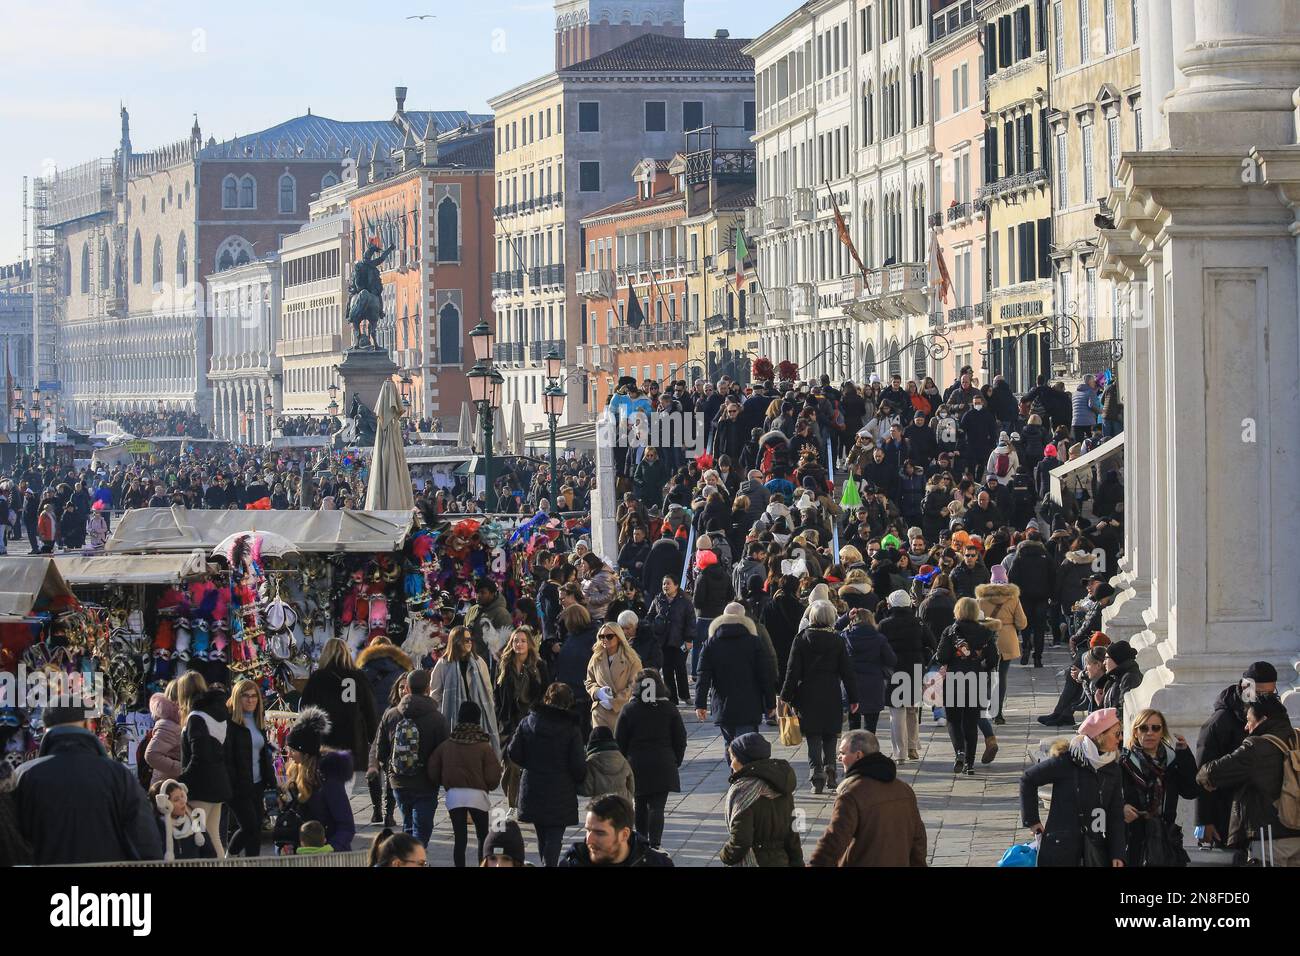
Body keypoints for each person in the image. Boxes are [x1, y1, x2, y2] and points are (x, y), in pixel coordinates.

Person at [14, 703, 164, 864]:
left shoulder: (24, 776)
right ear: (88, 725)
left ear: (44, 730)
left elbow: (12, 841)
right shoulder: (117, 775)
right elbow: (145, 840)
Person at [1196, 694, 1300, 866]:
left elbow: (1208, 774)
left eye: (1249, 720)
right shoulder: (1296, 738)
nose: (1246, 726)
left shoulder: (1256, 747)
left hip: (1269, 838)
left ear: (1263, 719)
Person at [1019, 708, 1127, 867]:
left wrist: (1117, 853)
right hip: (1061, 847)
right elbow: (1028, 779)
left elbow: (1115, 813)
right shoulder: (1067, 761)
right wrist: (1033, 820)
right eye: (1116, 733)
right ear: (1099, 735)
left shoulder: (1112, 768)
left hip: (1096, 847)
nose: (1121, 738)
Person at [808, 730, 927, 866]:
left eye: (843, 753)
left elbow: (834, 841)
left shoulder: (851, 795)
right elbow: (918, 840)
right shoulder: (904, 790)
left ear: (858, 755)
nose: (839, 758)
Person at [1196, 662, 1278, 848]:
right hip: (1226, 811)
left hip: (1261, 813)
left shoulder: (1271, 714)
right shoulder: (1220, 721)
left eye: (1270, 694)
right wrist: (1204, 820)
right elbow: (1204, 771)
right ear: (1247, 689)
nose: (1267, 700)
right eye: (1262, 694)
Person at [781, 599, 859, 794]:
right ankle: (831, 767)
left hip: (807, 693)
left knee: (813, 735)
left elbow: (792, 671)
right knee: (831, 734)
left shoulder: (801, 639)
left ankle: (816, 773)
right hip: (831, 692)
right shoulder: (837, 640)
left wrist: (785, 696)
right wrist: (854, 697)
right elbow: (847, 672)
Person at [508, 682, 588, 866]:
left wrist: (529, 764)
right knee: (554, 836)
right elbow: (577, 765)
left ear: (546, 699)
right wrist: (580, 777)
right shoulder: (571, 728)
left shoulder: (528, 722)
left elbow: (513, 752)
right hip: (560, 788)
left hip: (533, 785)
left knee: (542, 834)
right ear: (568, 703)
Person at [375, 668, 449, 847]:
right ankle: (416, 859)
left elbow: (380, 751)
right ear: (427, 688)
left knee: (408, 824)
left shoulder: (391, 714)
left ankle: (409, 858)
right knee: (422, 829)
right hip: (425, 782)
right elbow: (444, 753)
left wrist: (392, 770)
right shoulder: (437, 719)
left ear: (407, 687)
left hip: (398, 782)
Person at [614, 668, 686, 848]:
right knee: (657, 807)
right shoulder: (669, 708)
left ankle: (642, 841)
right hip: (664, 762)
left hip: (637, 764)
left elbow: (619, 740)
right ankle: (655, 844)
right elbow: (680, 738)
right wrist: (676, 760)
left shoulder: (629, 709)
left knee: (639, 803)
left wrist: (624, 761)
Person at [427, 700, 503, 867]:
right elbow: (492, 776)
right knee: (482, 836)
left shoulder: (447, 744)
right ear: (478, 720)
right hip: (478, 796)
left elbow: (433, 768)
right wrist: (488, 785)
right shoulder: (484, 746)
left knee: (460, 839)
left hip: (454, 796)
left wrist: (443, 781)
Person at [1119, 708, 1199, 867]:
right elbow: (1107, 796)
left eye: (1155, 728)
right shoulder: (1123, 762)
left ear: (1162, 732)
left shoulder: (1172, 762)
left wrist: (1185, 757)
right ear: (1135, 732)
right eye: (1143, 728)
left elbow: (1191, 791)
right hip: (1134, 838)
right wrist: (1122, 807)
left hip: (1166, 838)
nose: (1150, 733)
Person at [300, 638, 378, 794]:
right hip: (353, 738)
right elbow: (369, 709)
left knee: (327, 782)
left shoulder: (318, 677)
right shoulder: (358, 677)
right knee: (348, 784)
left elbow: (305, 709)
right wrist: (373, 736)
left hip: (325, 739)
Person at [695, 603, 771, 759]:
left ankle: (735, 775)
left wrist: (700, 704)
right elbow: (765, 675)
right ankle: (745, 778)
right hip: (750, 704)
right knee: (748, 747)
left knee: (729, 745)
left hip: (723, 705)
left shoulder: (711, 643)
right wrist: (770, 703)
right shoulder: (754, 642)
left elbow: (703, 675)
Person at [719, 732, 802, 867]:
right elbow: (793, 831)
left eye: (733, 758)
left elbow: (742, 840)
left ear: (743, 760)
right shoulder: (781, 784)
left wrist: (725, 855)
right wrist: (797, 861)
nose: (731, 765)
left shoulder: (743, 791)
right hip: (782, 860)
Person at [935, 597, 998, 775]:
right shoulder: (985, 631)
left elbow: (941, 656)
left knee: (954, 721)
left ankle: (959, 752)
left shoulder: (950, 631)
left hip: (954, 679)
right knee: (971, 722)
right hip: (975, 679)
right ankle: (969, 764)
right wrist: (981, 666)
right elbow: (993, 659)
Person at [281, 706, 355, 853]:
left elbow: (346, 826)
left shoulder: (328, 778)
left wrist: (330, 849)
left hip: (329, 853)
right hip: (303, 851)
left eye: (293, 750)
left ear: (305, 752)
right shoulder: (295, 772)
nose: (289, 754)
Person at [495, 627, 549, 808]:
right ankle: (513, 800)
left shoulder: (539, 665)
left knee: (526, 764)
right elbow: (497, 694)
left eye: (523, 641)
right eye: (516, 640)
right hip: (509, 722)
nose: (519, 644)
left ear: (529, 644)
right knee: (510, 764)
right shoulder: (504, 665)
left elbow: (545, 693)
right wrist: (498, 716)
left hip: (531, 720)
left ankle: (519, 802)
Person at [878, 590, 934, 762]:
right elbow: (932, 643)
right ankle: (912, 746)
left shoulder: (884, 624)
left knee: (896, 713)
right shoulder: (918, 623)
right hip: (915, 667)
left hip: (893, 670)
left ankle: (900, 752)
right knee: (912, 709)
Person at [177, 687, 232, 858]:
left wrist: (183, 778)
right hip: (218, 783)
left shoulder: (196, 718)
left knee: (197, 836)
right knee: (213, 835)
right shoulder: (219, 718)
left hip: (199, 787)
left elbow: (199, 754)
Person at [225, 680, 276, 857]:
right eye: (245, 696)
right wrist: (233, 785)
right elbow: (228, 759)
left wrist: (271, 781)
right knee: (250, 826)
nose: (250, 700)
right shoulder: (230, 724)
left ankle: (252, 862)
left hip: (257, 784)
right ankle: (230, 856)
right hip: (238, 787)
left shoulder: (257, 721)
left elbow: (263, 756)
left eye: (254, 696)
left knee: (256, 831)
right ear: (237, 698)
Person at [431, 625, 500, 753]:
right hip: (453, 716)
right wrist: (442, 712)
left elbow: (488, 690)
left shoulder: (479, 662)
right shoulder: (443, 664)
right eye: (465, 640)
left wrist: (488, 706)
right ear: (456, 641)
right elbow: (435, 694)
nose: (469, 642)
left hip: (477, 716)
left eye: (470, 639)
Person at [558, 793, 674, 867]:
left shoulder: (657, 863)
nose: (589, 840)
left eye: (600, 833)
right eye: (588, 830)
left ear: (624, 834)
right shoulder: (572, 863)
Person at [976, 565, 1026, 727]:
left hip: (987, 639)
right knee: (1002, 676)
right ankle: (998, 714)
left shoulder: (980, 600)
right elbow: (1022, 623)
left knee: (987, 675)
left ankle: (985, 707)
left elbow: (976, 621)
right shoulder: (1013, 598)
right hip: (1007, 638)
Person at [841, 608, 896, 735]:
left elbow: (831, 631)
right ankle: (869, 752)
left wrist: (844, 619)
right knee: (870, 727)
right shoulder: (879, 638)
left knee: (853, 725)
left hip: (851, 684)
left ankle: (854, 752)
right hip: (873, 684)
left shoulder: (845, 637)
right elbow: (891, 660)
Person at [643, 575, 694, 705]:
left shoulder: (685, 601)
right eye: (664, 584)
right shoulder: (658, 599)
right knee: (667, 670)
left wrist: (689, 639)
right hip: (663, 641)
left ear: (676, 585)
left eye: (668, 583)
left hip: (679, 641)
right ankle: (672, 698)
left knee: (680, 668)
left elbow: (690, 622)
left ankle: (685, 695)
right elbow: (650, 616)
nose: (665, 586)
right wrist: (651, 627)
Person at [584, 620, 643, 733]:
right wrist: (597, 692)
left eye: (609, 636)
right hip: (600, 712)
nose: (605, 639)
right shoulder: (596, 658)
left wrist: (614, 702)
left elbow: (635, 686)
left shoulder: (631, 659)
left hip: (622, 711)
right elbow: (589, 681)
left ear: (619, 637)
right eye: (601, 637)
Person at [153, 779, 217, 861]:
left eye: (182, 796)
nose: (182, 801)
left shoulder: (196, 818)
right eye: (176, 800)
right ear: (164, 805)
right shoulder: (156, 827)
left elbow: (210, 853)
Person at [578, 725, 636, 809]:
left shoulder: (591, 763)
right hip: (623, 804)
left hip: (600, 807)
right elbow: (631, 784)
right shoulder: (622, 759)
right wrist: (628, 797)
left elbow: (587, 789)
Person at [144, 687, 183, 788]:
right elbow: (151, 755)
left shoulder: (173, 722)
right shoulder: (168, 725)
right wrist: (180, 768)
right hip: (167, 785)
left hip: (169, 783)